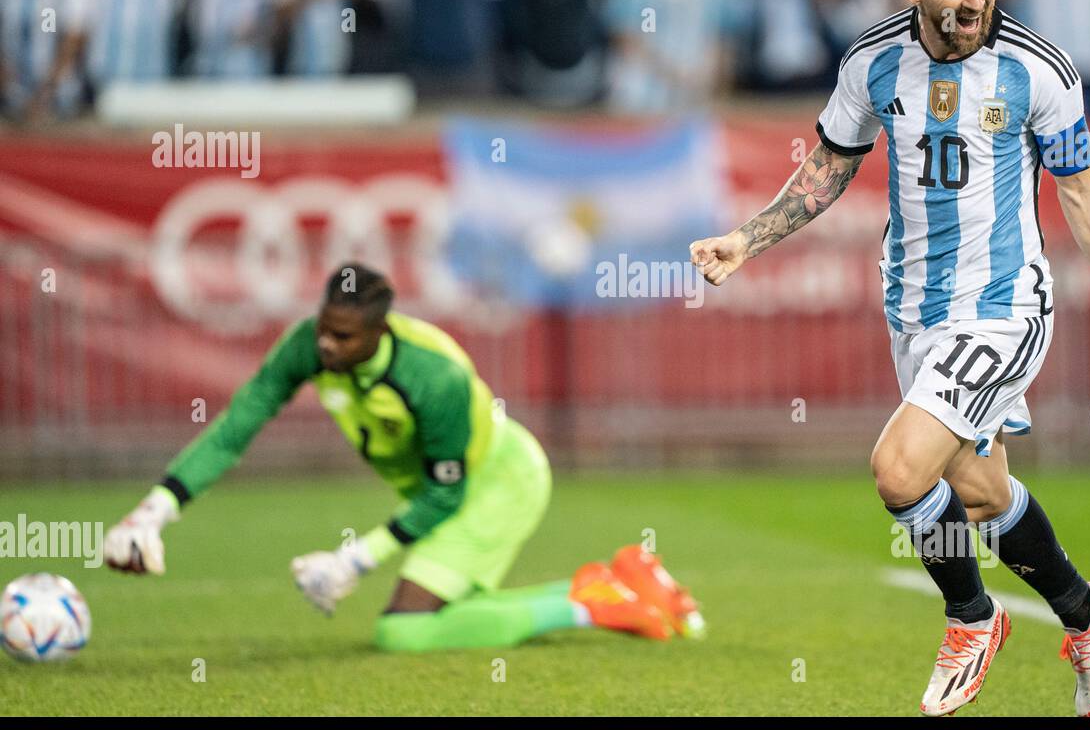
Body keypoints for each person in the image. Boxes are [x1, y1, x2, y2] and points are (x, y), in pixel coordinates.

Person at [689, 0, 1090, 717]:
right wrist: (748, 238)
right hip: (913, 309)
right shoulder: (873, 63)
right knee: (981, 499)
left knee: (897, 470)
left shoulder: (1039, 68)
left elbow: (1081, 187)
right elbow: (829, 166)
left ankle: (971, 620)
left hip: (1003, 305)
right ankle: (1089, 615)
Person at [102, 263, 704, 650]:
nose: (326, 345)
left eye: (344, 336)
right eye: (323, 329)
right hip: (443, 492)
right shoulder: (307, 347)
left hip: (497, 483)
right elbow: (235, 429)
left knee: (405, 631)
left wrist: (353, 562)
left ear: (379, 330)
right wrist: (153, 512)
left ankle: (596, 607)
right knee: (453, 612)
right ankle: (614, 584)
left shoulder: (434, 377)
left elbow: (446, 494)